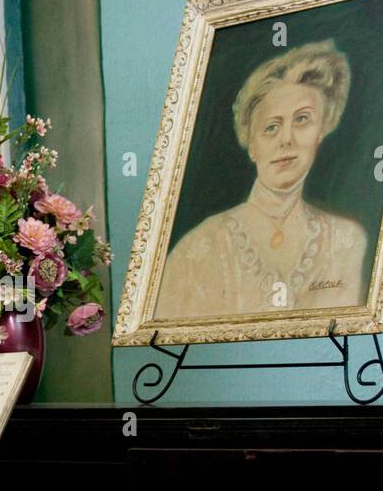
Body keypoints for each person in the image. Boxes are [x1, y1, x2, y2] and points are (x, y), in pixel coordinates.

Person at [154, 39, 368, 318]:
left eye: (302, 119)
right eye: (271, 127)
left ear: (322, 130)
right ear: (251, 145)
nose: (286, 140)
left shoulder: (347, 242)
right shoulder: (200, 247)